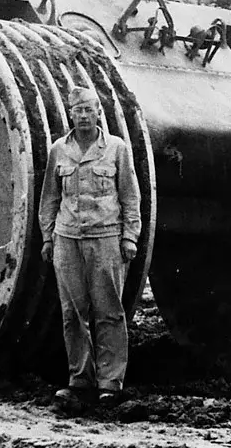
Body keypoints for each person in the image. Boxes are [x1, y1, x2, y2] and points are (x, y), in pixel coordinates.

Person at [38, 86, 142, 408]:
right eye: (78, 110)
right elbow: (50, 199)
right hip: (68, 241)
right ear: (71, 114)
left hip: (105, 239)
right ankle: (80, 381)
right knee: (72, 313)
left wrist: (130, 236)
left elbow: (130, 196)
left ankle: (110, 383)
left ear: (99, 112)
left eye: (88, 110)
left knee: (109, 311)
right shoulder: (59, 150)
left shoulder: (116, 149)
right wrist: (47, 237)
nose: (83, 116)